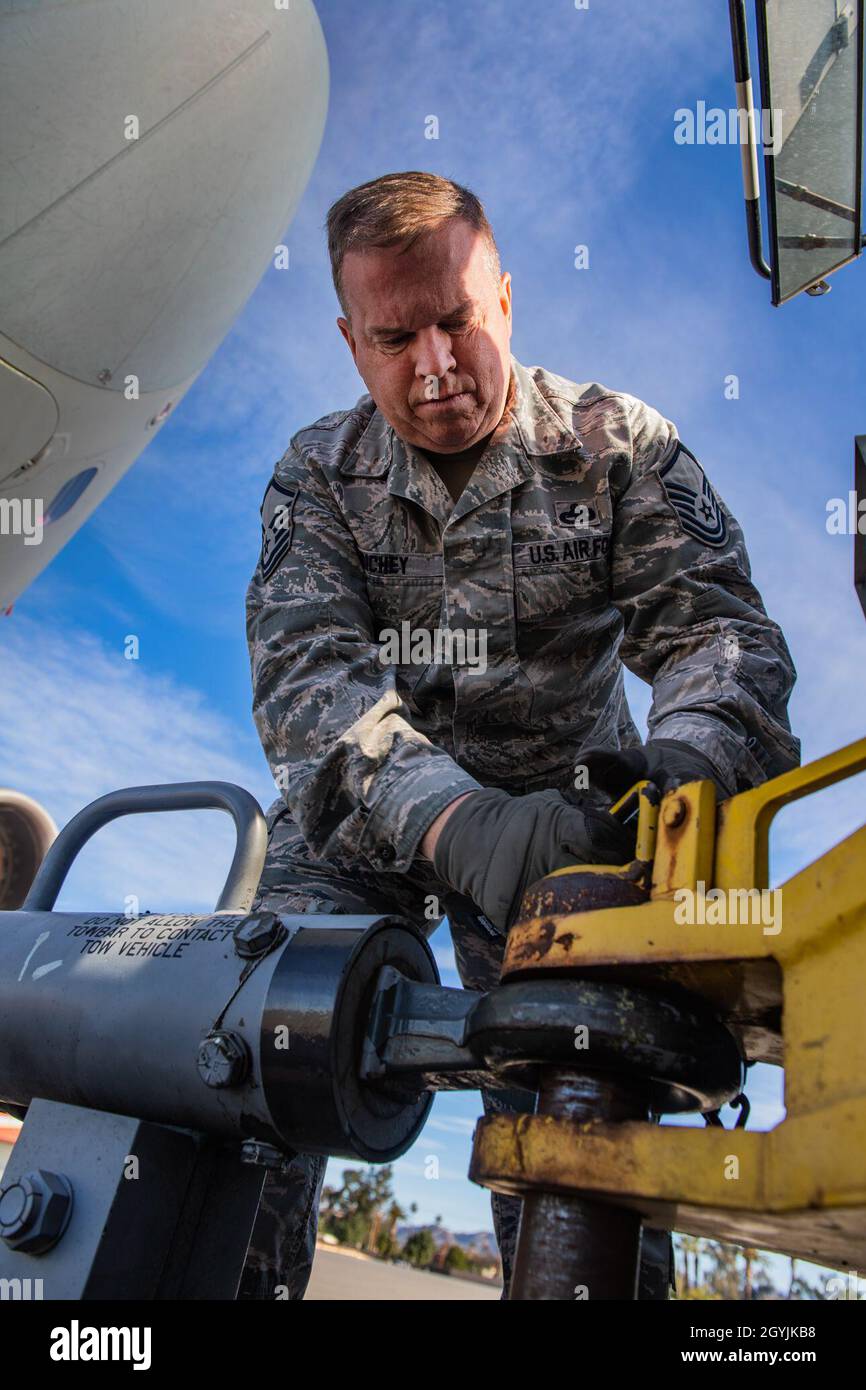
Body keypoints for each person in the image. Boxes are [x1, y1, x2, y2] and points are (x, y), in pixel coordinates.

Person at [238, 171, 799, 1300]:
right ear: (351, 342)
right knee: (256, 1047)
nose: (434, 365)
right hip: (369, 816)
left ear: (505, 297)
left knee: (585, 1095)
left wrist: (686, 759)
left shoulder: (615, 445)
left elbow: (717, 635)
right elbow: (310, 677)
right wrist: (451, 819)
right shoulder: (316, 475)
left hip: (570, 822)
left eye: (455, 321)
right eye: (396, 338)